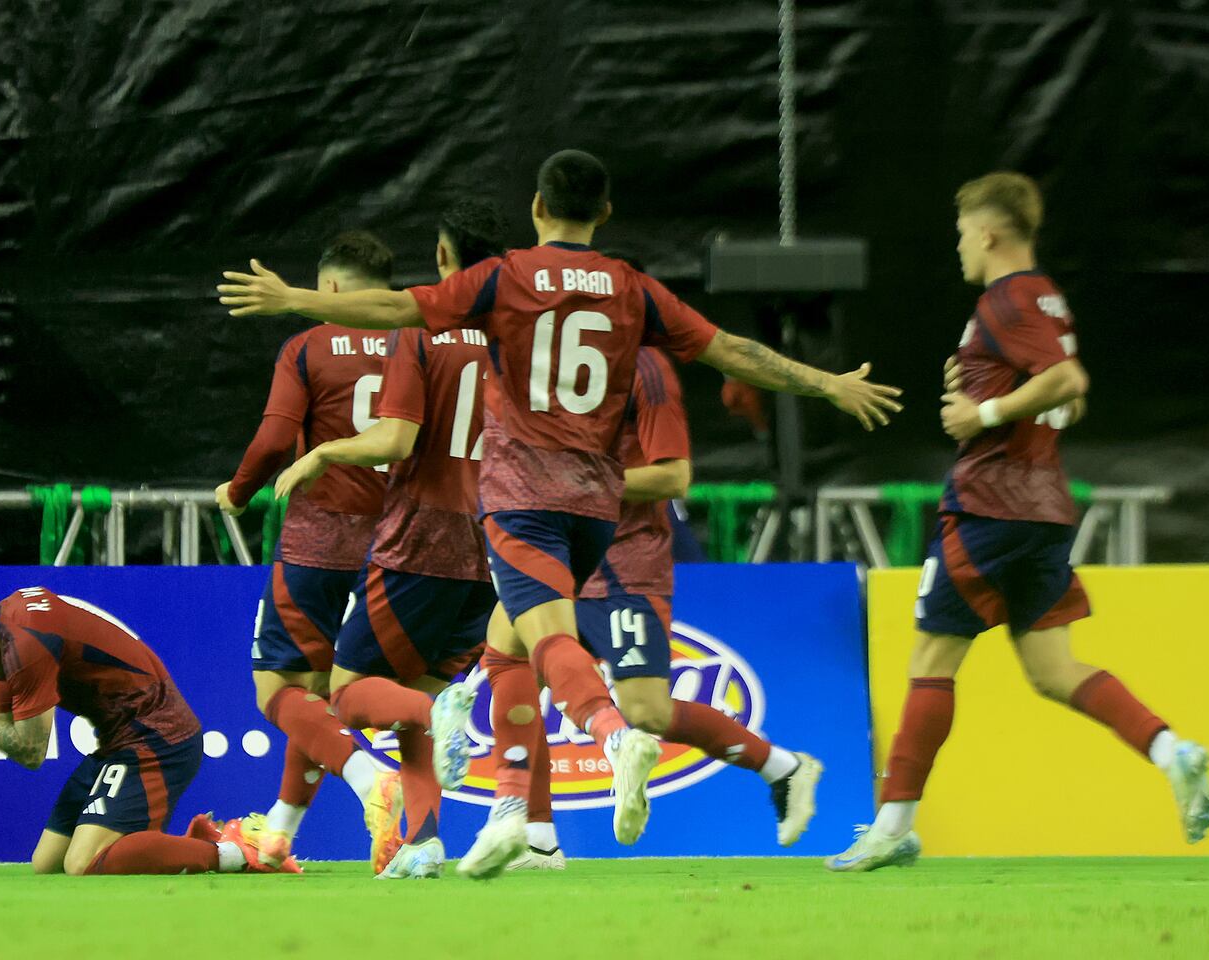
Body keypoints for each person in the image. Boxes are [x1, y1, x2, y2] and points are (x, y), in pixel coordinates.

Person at [218, 149, 902, 868]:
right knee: (506, 646)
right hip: (595, 512)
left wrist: (297, 300)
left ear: (539, 208)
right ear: (605, 214)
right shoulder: (631, 289)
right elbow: (729, 349)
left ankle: (610, 737)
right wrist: (825, 383)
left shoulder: (507, 278)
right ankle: (520, 824)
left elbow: (395, 308)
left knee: (525, 648)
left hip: (518, 505)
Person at [825, 172, 1209, 872]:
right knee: (1053, 671)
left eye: (962, 233)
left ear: (989, 232)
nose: (958, 247)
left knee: (931, 660)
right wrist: (983, 388)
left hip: (988, 506)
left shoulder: (1005, 298)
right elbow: (1064, 404)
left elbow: (1068, 383)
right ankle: (1170, 751)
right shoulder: (1046, 300)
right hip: (1043, 510)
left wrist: (982, 414)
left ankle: (892, 825)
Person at [499, 347, 823, 875]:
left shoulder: (646, 369)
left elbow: (672, 479)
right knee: (511, 654)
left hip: (624, 563)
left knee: (648, 710)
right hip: (559, 553)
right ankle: (536, 837)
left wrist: (576, 487)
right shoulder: (546, 356)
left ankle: (781, 766)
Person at [267, 198, 510, 879]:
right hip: (491, 543)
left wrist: (323, 453)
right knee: (412, 699)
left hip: (419, 539)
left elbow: (396, 438)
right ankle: (426, 841)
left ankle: (444, 712)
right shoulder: (517, 336)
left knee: (347, 691)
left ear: (441, 258)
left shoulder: (422, 324)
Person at [214, 231, 403, 873]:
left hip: (319, 539)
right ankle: (278, 837)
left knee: (277, 689)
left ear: (327, 288)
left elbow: (273, 440)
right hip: (398, 546)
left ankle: (367, 778)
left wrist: (238, 492)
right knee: (322, 697)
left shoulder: (308, 346)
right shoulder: (416, 342)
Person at [0, 586, 297, 875]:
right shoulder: (6, 629)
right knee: (47, 864)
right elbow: (9, 731)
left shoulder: (25, 641)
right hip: (117, 741)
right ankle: (193, 842)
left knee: (83, 862)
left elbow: (30, 750)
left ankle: (237, 851)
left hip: (157, 736)